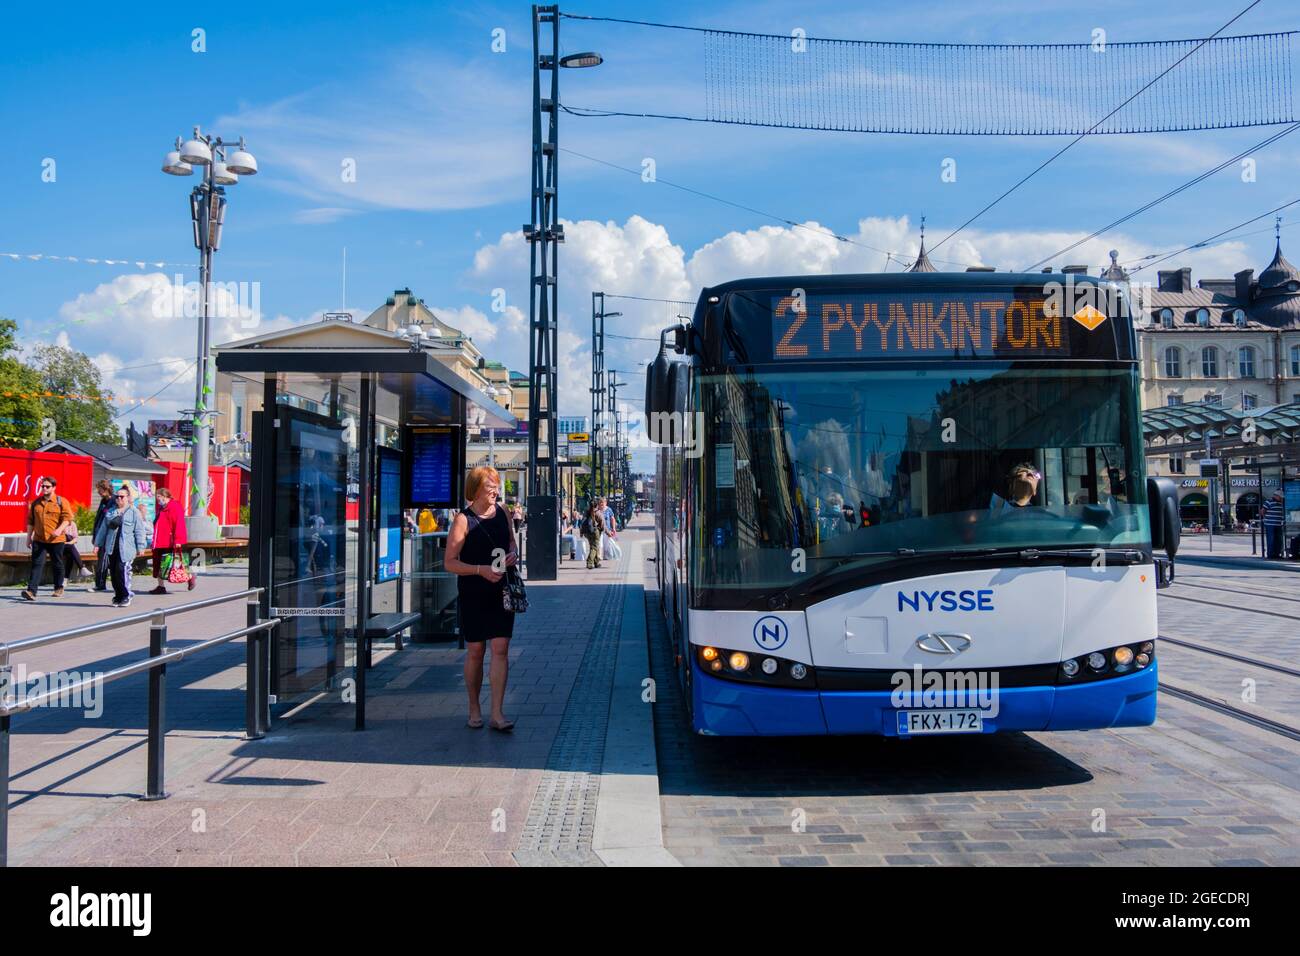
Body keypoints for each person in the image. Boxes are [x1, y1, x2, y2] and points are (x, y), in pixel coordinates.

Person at [445, 466, 519, 732]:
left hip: (502, 589)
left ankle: (497, 713)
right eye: (490, 488)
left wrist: (513, 554)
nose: (495, 493)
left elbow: (511, 542)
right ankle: (474, 707)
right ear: (475, 490)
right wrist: (480, 570)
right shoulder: (463, 520)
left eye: (496, 488)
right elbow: (450, 563)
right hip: (474, 591)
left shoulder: (503, 513)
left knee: (501, 648)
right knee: (476, 651)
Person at [93, 485, 152, 608]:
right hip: (111, 547)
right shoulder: (111, 512)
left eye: (122, 496)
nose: (119, 498)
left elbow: (139, 531)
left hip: (126, 549)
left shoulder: (134, 512)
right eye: (117, 496)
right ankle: (118, 596)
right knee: (114, 574)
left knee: (122, 572)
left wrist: (141, 547)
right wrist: (97, 544)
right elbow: (103, 529)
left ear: (128, 498)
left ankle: (126, 595)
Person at [21, 477, 76, 601]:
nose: (44, 488)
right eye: (43, 486)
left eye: (47, 486)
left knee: (57, 563)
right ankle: (31, 591)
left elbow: (68, 519)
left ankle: (58, 587)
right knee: (37, 564)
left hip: (56, 540)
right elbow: (30, 521)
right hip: (39, 539)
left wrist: (59, 529)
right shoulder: (36, 503)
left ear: (54, 488)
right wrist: (28, 538)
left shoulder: (61, 501)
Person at [149, 487, 193, 594]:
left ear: (165, 496)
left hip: (169, 541)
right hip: (159, 542)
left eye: (158, 497)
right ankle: (161, 586)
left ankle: (190, 577)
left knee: (177, 564)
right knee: (158, 564)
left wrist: (178, 540)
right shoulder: (161, 508)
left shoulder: (175, 507)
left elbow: (179, 524)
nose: (157, 500)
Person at [91, 479, 114, 591]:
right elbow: (99, 519)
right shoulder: (103, 501)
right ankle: (100, 584)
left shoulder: (113, 501)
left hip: (107, 536)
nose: (98, 492)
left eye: (99, 489)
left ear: (106, 489)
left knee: (103, 561)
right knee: (101, 560)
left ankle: (100, 584)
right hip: (100, 535)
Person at [581, 499, 606, 569]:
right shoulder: (597, 512)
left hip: (587, 532)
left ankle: (596, 562)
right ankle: (589, 562)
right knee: (594, 548)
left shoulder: (586, 512)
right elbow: (602, 523)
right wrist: (602, 530)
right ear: (597, 505)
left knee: (593, 546)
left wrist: (581, 532)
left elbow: (582, 522)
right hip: (595, 532)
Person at [1261, 490, 1285, 559]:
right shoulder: (1269, 501)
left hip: (1278, 524)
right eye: (1280, 497)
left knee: (1278, 539)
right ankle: (1270, 554)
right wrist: (1266, 518)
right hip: (1270, 524)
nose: (1281, 498)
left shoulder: (1281, 503)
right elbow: (1262, 511)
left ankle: (1277, 554)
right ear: (1276, 496)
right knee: (1271, 539)